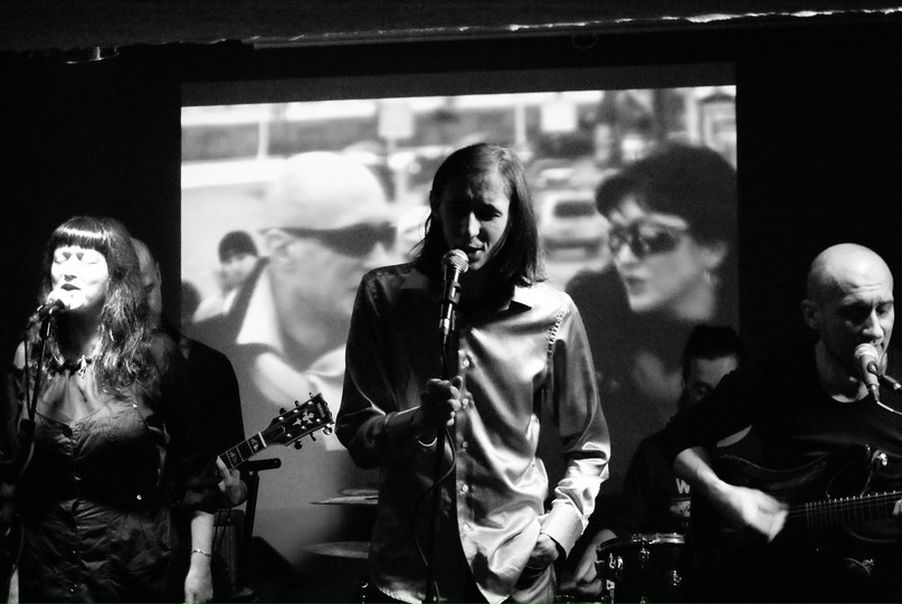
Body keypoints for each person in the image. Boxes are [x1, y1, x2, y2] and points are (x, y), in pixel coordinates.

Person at [336, 143, 610, 604]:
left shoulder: (552, 313)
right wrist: (417, 420)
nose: (468, 230)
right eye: (457, 210)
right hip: (410, 574)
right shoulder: (384, 297)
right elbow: (358, 434)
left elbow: (589, 446)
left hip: (516, 571)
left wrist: (555, 535)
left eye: (487, 213)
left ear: (514, 217)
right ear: (435, 207)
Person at [661, 243, 902, 603]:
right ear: (812, 315)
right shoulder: (773, 379)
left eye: (884, 309)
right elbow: (676, 438)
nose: (874, 330)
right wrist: (723, 493)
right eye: (854, 312)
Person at [1, 216, 219, 604]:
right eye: (62, 257)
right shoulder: (31, 355)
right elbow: (16, 480)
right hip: (48, 571)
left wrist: (200, 566)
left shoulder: (154, 355)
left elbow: (198, 474)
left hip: (133, 570)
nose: (69, 270)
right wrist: (16, 576)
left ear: (115, 277)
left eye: (86, 260)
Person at [566, 142, 738, 494]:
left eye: (651, 237)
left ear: (712, 247)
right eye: (617, 238)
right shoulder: (596, 320)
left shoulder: (745, 321)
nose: (626, 258)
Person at [561, 325, 750, 597]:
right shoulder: (656, 452)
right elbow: (625, 526)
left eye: (724, 389)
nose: (714, 402)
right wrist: (601, 549)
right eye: (702, 390)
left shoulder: (764, 448)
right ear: (685, 384)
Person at [132, 237, 247, 507]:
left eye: (148, 289)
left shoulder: (211, 366)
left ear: (159, 274)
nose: (143, 305)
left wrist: (233, 491)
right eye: (132, 297)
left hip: (181, 525)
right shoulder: (93, 370)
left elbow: (238, 482)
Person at [193, 231, 260, 323]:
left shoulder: (272, 292)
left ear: (256, 258)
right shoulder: (210, 309)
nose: (235, 267)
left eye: (241, 258)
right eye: (228, 262)